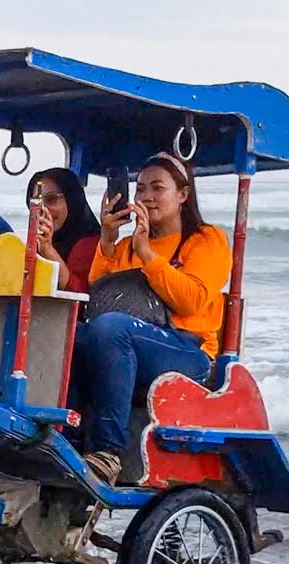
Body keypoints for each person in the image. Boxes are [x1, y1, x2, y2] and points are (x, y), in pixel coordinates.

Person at [76, 152, 232, 483]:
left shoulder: (205, 239)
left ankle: (108, 452)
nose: (146, 196)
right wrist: (107, 240)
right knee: (72, 336)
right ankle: (67, 435)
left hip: (190, 351)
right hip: (131, 343)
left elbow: (192, 301)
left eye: (158, 188)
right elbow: (100, 295)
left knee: (111, 329)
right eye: (141, 188)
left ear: (183, 195)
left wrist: (147, 254)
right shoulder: (127, 246)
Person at [24, 168, 101, 292]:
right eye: (36, 202)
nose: (43, 209)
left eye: (51, 199)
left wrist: (48, 250)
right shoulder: (36, 243)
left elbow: (79, 296)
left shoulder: (91, 244)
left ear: (72, 200)